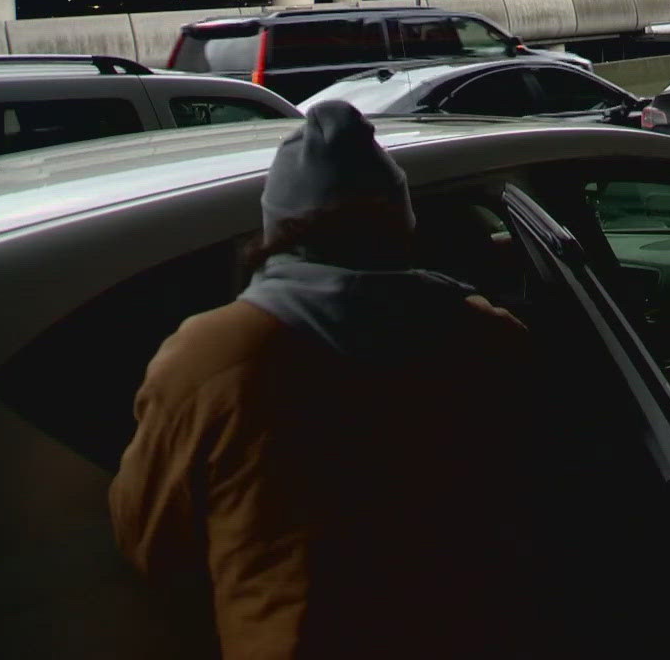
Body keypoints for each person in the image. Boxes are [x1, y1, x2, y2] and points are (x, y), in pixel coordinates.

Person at [109, 101, 540, 659]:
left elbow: (150, 542)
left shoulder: (214, 356)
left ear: (275, 230)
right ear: (402, 223)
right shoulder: (487, 337)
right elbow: (542, 492)